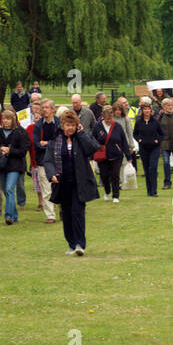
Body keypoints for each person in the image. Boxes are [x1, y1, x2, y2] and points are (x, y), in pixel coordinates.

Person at [44, 108, 100, 256]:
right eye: (67, 125)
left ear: (77, 125)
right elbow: (48, 160)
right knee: (67, 214)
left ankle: (80, 244)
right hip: (62, 183)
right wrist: (51, 175)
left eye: (72, 125)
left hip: (79, 182)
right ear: (62, 125)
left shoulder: (81, 137)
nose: (70, 128)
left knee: (78, 213)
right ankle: (71, 243)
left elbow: (93, 148)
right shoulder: (56, 139)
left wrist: (81, 133)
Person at [0, 111, 29, 224]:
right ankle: (14, 215)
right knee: (6, 192)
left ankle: (9, 216)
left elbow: (23, 151)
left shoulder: (21, 132)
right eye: (4, 118)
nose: (5, 121)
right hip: (1, 166)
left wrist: (10, 151)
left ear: (13, 120)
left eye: (8, 119)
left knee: (9, 189)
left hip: (15, 166)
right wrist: (0, 149)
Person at [31, 99, 60, 222]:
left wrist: (47, 143)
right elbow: (37, 144)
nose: (44, 110)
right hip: (43, 160)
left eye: (47, 107)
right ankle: (50, 215)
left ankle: (63, 211)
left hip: (59, 160)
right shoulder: (38, 125)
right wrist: (49, 144)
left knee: (61, 187)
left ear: (53, 109)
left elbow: (61, 141)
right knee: (46, 189)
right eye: (43, 108)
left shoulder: (59, 123)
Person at [134, 100, 164, 196]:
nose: (147, 111)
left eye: (148, 109)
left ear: (151, 110)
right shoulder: (139, 122)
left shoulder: (155, 121)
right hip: (143, 148)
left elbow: (162, 134)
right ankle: (149, 191)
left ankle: (154, 190)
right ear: (142, 111)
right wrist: (139, 140)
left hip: (154, 148)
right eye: (145, 109)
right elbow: (135, 133)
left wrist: (157, 140)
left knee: (153, 167)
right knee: (147, 169)